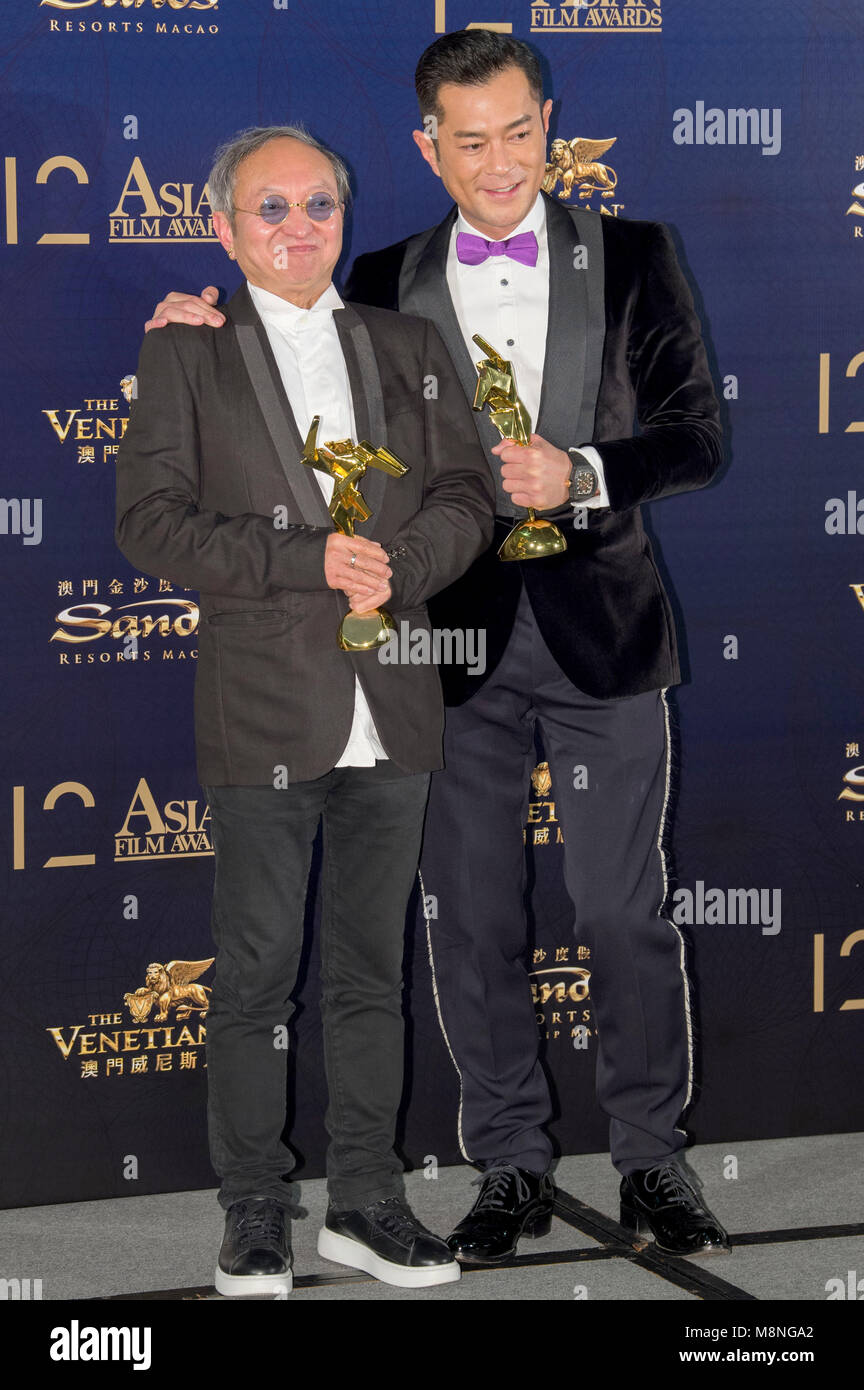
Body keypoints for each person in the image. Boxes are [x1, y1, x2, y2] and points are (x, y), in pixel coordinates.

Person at [145, 30, 728, 1262]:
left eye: (520, 131)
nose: (500, 160)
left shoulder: (637, 256)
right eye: (470, 139)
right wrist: (196, 323)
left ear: (548, 122)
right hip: (433, 648)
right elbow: (281, 352)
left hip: (604, 633)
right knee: (470, 922)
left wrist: (584, 471)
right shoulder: (377, 272)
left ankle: (652, 1159)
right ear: (429, 146)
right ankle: (508, 1159)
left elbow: (697, 438)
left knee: (624, 912)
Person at [116, 123, 494, 1296]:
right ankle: (255, 1210)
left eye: (319, 205)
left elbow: (466, 495)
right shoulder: (188, 349)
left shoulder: (407, 340)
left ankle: (367, 1202)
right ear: (224, 229)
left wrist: (403, 563)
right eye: (269, 209)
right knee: (255, 975)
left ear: (344, 214)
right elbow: (150, 523)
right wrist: (310, 562)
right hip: (265, 710)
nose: (297, 228)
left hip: (396, 703)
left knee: (372, 970)